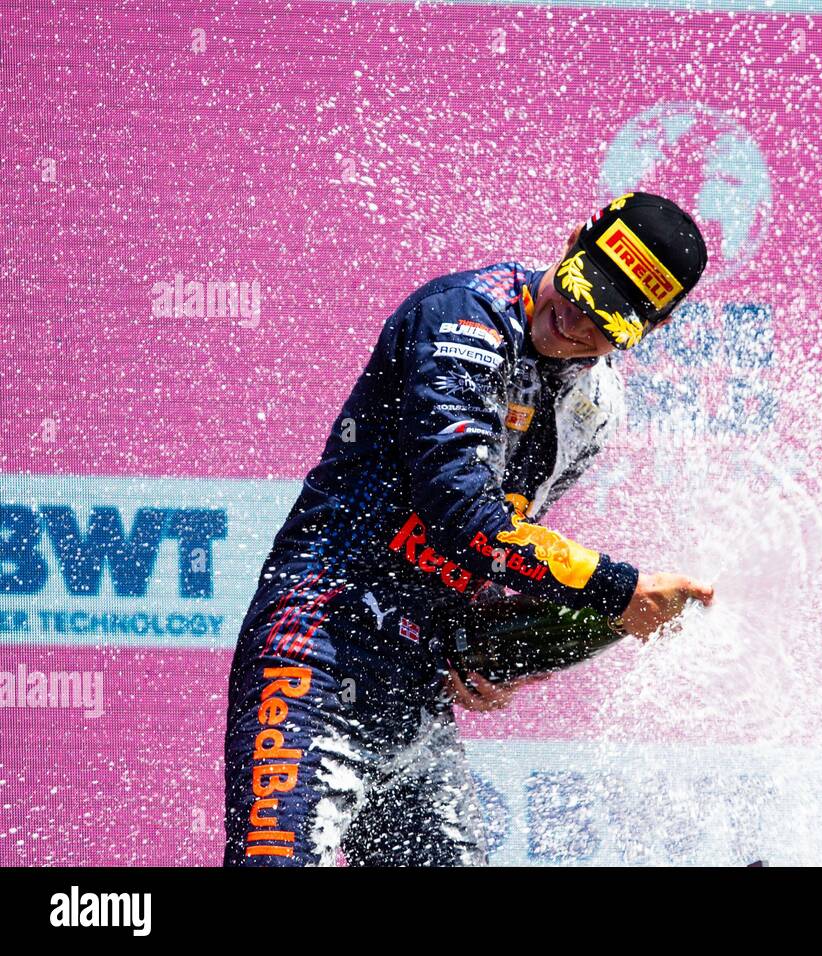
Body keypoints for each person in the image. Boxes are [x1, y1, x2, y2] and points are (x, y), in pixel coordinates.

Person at [223, 191, 715, 866]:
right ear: (574, 239)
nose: (573, 323)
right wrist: (616, 589)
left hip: (415, 689)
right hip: (318, 642)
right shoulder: (464, 317)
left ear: (647, 332)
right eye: (578, 291)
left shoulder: (595, 409)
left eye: (605, 323)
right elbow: (463, 517)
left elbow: (503, 547)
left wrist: (471, 643)